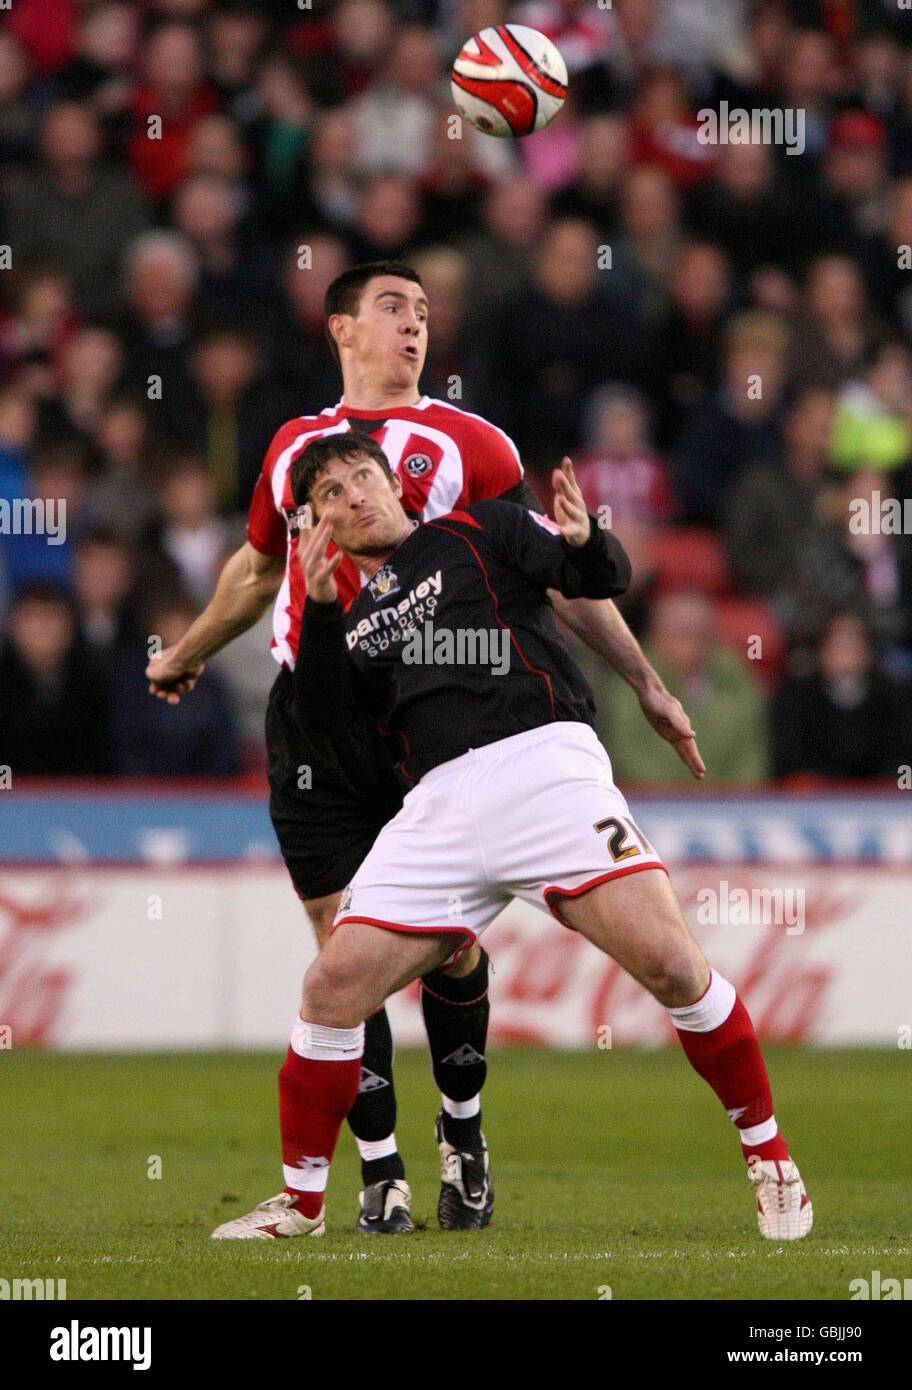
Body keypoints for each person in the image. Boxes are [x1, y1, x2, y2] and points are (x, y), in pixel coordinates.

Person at [146, 260, 704, 1234]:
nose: (416, 326)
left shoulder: (474, 444)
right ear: (341, 330)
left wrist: (645, 679)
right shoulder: (295, 447)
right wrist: (189, 649)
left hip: (426, 713)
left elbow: (552, 575)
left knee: (446, 948)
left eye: (425, 312)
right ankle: (378, 1173)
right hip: (314, 711)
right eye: (394, 308)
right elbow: (256, 566)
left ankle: (464, 1135)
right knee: (341, 946)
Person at [210, 436, 812, 1243]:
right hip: (437, 805)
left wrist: (587, 539)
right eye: (327, 495)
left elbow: (599, 580)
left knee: (673, 965)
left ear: (396, 487)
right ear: (316, 527)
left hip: (543, 766)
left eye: (361, 476)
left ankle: (770, 1159)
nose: (351, 495)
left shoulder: (480, 528)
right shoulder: (351, 626)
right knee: (331, 988)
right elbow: (323, 722)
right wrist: (319, 613)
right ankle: (302, 1205)